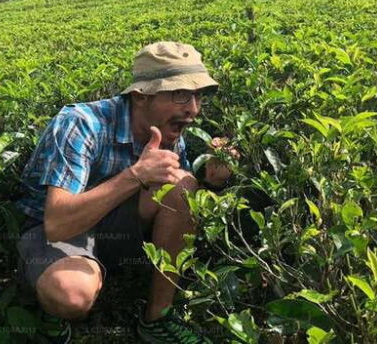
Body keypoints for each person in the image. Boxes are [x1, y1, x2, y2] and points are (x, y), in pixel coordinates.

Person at [16, 41, 235, 343]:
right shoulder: (82, 124)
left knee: (183, 184)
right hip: (55, 231)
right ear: (141, 96)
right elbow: (57, 224)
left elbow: (178, 204)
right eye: (181, 94)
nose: (193, 109)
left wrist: (211, 181)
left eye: (198, 96)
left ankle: (158, 317)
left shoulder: (168, 130)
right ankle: (52, 311)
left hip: (115, 226)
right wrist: (135, 176)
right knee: (70, 294)